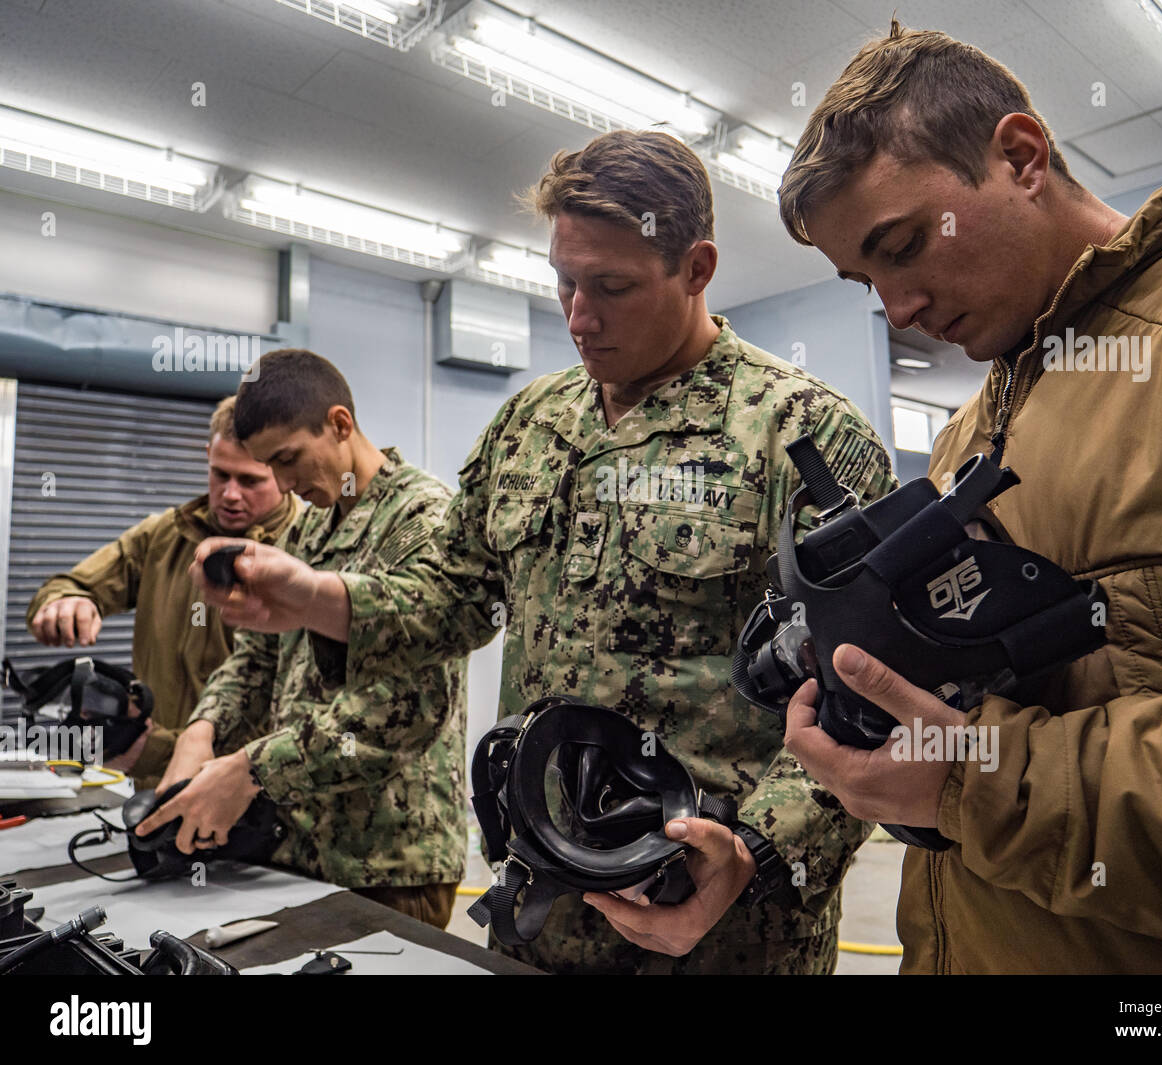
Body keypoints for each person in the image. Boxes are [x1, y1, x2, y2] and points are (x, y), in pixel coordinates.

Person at [190, 130, 895, 974]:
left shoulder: (802, 435)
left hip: (717, 928)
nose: (578, 317)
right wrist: (320, 599)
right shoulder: (532, 424)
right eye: (563, 281)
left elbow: (871, 687)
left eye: (613, 286)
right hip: (541, 912)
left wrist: (755, 852)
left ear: (698, 267)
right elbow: (455, 598)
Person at [776, 20, 1162, 973]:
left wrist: (987, 781)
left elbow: (989, 768)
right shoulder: (968, 432)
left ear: (1020, 156)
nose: (898, 310)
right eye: (864, 280)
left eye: (902, 246)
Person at [139, 351, 468, 929]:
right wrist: (201, 730)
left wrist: (251, 770)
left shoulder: (424, 518)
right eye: (273, 466)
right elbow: (260, 654)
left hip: (387, 862)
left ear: (340, 424)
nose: (285, 484)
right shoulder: (312, 526)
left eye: (287, 461)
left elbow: (403, 710)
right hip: (298, 844)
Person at [25, 396, 296, 785]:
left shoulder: (309, 551)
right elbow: (66, 587)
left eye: (250, 480)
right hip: (152, 785)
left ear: (283, 471)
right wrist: (66, 602)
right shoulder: (163, 536)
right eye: (220, 474)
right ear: (207, 455)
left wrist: (159, 751)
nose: (231, 494)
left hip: (248, 794)